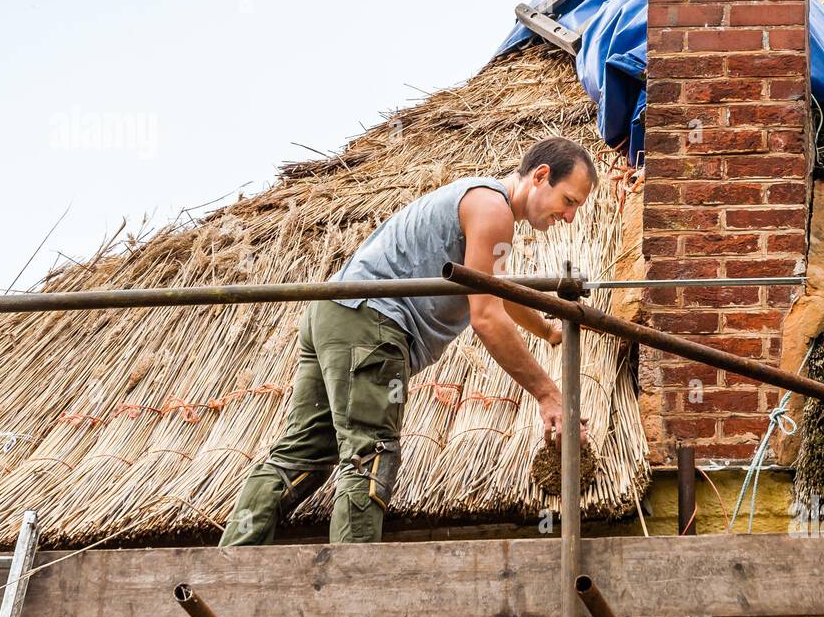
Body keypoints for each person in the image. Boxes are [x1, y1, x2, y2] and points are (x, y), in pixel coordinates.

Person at [218, 136, 597, 547]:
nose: (571, 216)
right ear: (541, 176)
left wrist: (546, 330)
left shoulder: (484, 206)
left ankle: (229, 562)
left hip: (334, 314)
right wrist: (548, 395)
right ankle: (354, 585)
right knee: (371, 453)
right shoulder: (493, 210)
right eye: (569, 200)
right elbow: (485, 316)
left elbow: (498, 289)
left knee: (304, 452)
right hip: (371, 323)